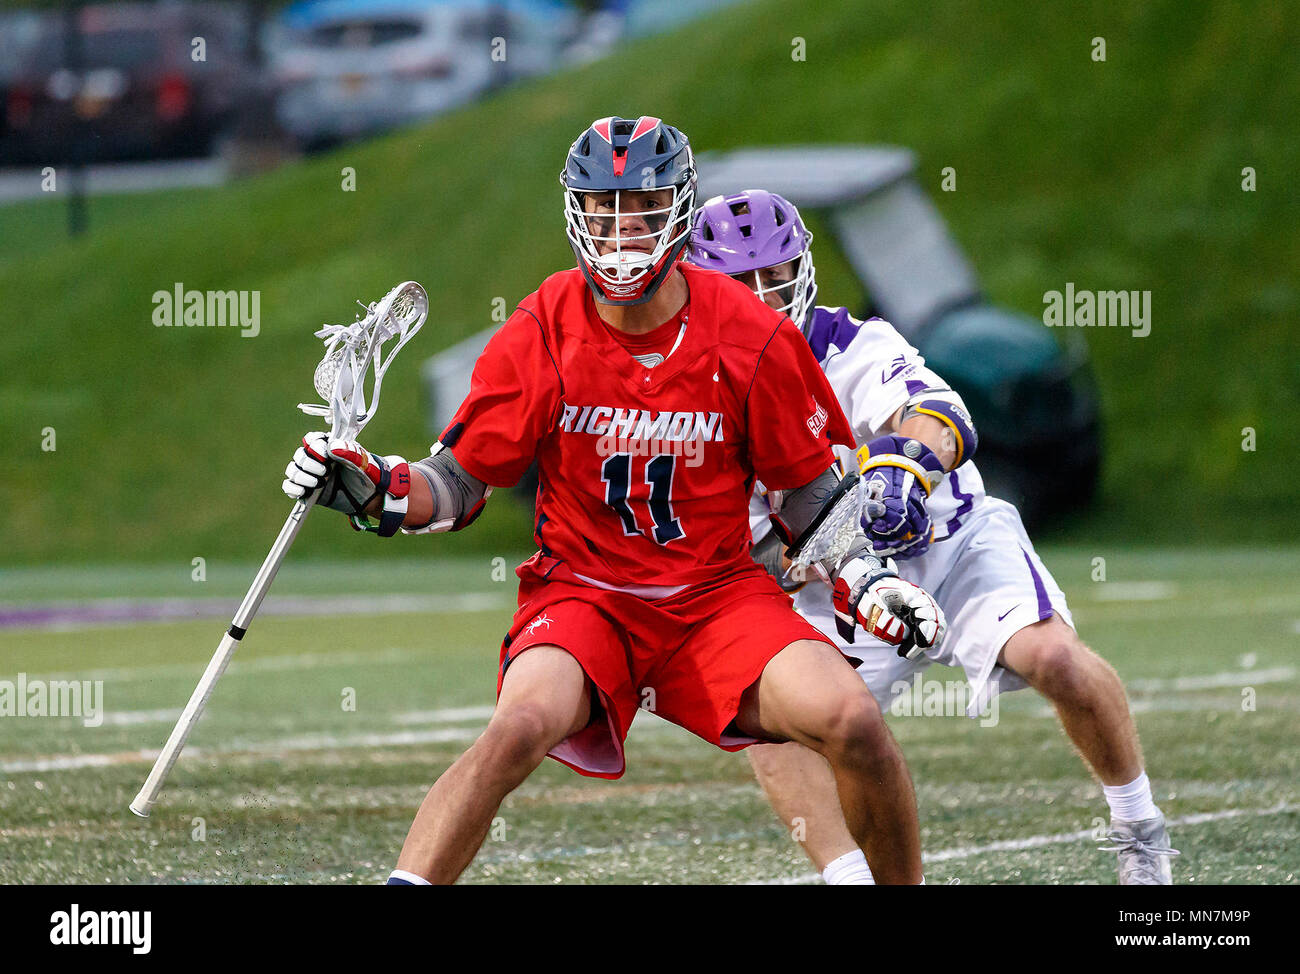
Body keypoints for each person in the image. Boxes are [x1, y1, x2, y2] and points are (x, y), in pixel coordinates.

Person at [281, 118, 946, 885]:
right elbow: (460, 481)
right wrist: (377, 491)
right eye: (603, 211)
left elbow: (807, 494)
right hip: (586, 597)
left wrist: (866, 579)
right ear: (577, 215)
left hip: (715, 599)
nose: (621, 231)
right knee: (517, 728)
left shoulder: (749, 332)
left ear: (680, 209)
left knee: (854, 720)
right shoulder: (545, 323)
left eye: (643, 207)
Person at [688, 188, 1178, 885]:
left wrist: (904, 473)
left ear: (805, 272)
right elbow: (755, 549)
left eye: (779, 276)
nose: (768, 299)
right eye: (746, 283)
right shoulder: (695, 396)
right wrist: (832, 551)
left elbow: (939, 414)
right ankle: (849, 878)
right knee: (770, 714)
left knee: (1053, 658)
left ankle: (1140, 829)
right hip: (838, 587)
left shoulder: (853, 343)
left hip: (947, 546)